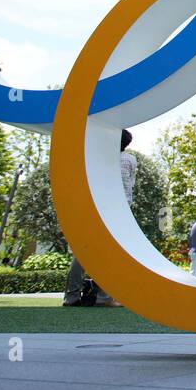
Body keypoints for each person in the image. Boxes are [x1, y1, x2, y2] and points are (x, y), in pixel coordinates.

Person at [63, 129, 137, 306]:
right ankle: (104, 296)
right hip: (117, 211)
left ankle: (71, 296)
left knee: (83, 253)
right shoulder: (128, 159)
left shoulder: (97, 158)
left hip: (94, 209)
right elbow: (130, 185)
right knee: (111, 253)